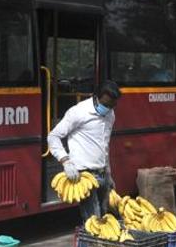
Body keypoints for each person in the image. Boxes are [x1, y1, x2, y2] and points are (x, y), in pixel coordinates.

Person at [47, 81, 122, 221]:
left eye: (112, 105)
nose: (108, 108)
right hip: (84, 175)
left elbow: (105, 145)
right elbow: (53, 136)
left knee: (106, 217)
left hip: (102, 173)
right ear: (96, 97)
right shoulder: (78, 112)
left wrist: (108, 173)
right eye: (105, 105)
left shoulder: (110, 115)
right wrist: (66, 161)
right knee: (93, 219)